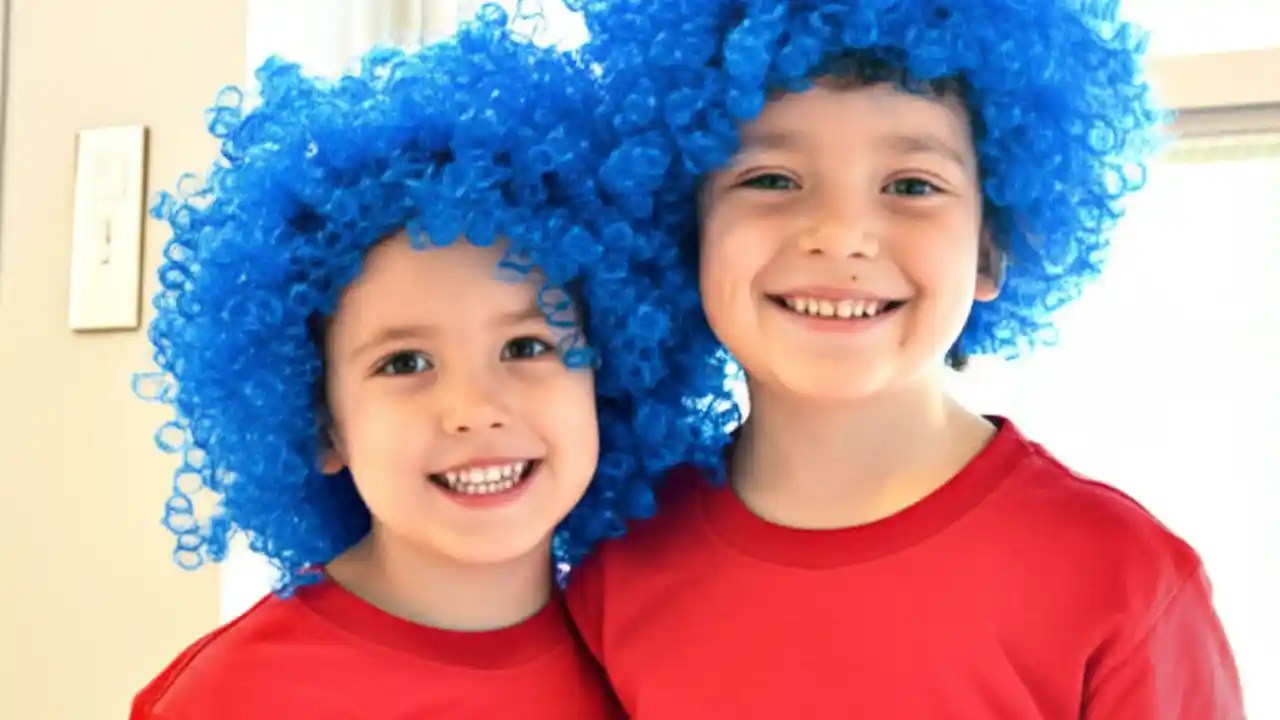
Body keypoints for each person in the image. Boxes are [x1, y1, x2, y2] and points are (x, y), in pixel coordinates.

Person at [564, 1, 1245, 717]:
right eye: (771, 179)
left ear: (993, 248)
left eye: (912, 186)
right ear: (684, 228)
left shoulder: (1119, 584)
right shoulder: (618, 572)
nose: (840, 235)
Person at [129, 10, 733, 718]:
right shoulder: (238, 697)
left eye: (526, 347)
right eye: (406, 362)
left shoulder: (642, 666)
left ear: (606, 378)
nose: (476, 407)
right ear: (323, 424)